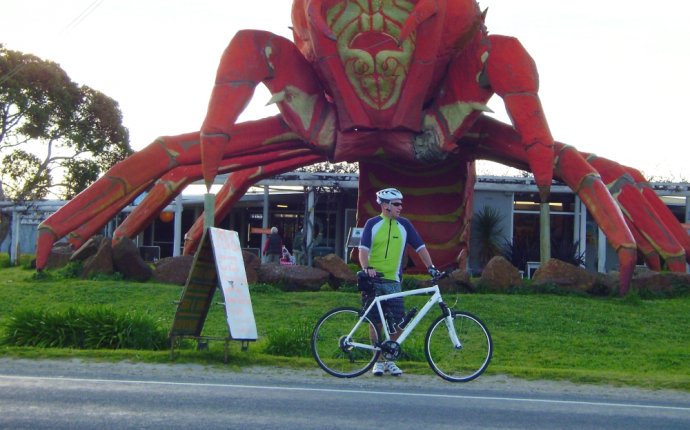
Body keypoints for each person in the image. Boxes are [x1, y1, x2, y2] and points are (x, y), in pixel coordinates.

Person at [358, 188, 439, 377]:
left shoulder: (405, 225)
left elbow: (420, 247)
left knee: (398, 322)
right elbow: (363, 250)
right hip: (374, 279)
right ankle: (376, 361)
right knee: (376, 322)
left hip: (394, 280)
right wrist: (366, 268)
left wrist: (431, 267)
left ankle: (389, 359)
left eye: (401, 204)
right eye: (396, 204)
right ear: (385, 206)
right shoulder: (372, 224)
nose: (401, 207)